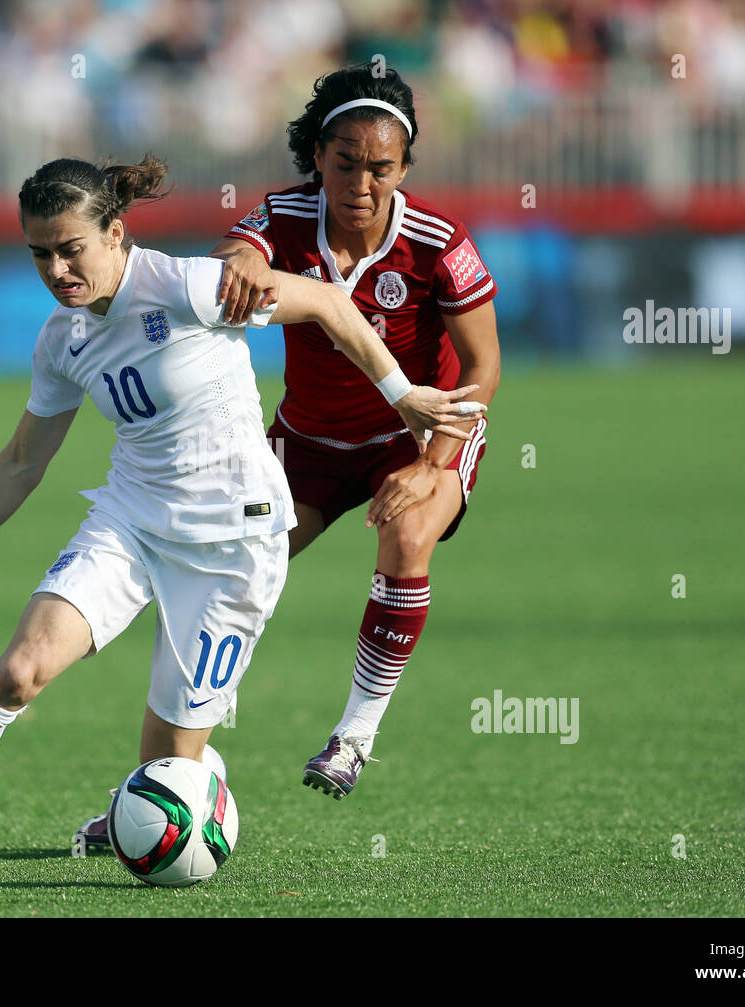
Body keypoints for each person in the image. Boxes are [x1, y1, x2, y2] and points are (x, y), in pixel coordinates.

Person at [0, 154, 480, 867]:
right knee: (19, 670)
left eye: (70, 248)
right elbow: (22, 460)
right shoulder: (62, 338)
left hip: (233, 545)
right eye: (39, 253)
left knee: (167, 767)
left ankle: (181, 785)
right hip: (130, 522)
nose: (56, 269)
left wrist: (403, 394)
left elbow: (324, 302)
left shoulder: (191, 286)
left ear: (115, 232)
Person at [212, 62, 503, 800]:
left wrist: (432, 461)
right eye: (345, 163)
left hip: (417, 437)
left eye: (381, 168)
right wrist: (241, 256)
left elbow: (483, 364)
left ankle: (354, 736)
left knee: (405, 538)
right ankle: (177, 771)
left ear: (405, 167)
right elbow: (235, 255)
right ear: (318, 155)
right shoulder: (280, 216)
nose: (361, 184)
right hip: (307, 440)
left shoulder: (439, 240)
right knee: (229, 575)